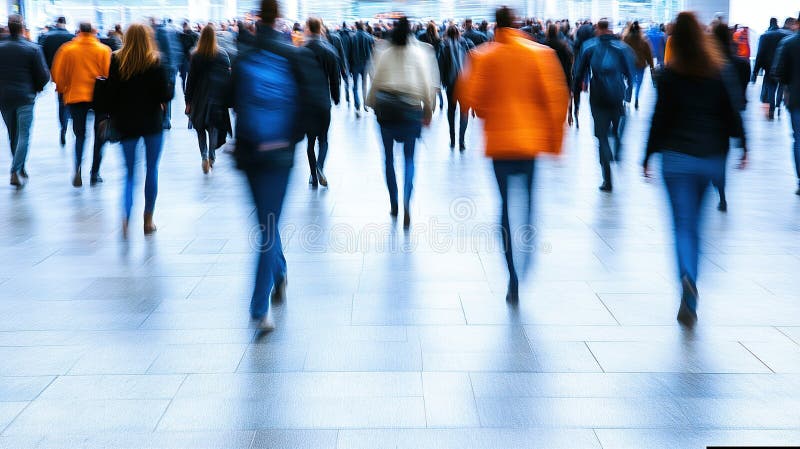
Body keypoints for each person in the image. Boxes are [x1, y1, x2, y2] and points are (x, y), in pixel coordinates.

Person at [644, 12, 747, 327]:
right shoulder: (719, 71)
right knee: (697, 223)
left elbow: (659, 119)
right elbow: (733, 111)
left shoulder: (669, 75)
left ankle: (686, 277)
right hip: (709, 157)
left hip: (675, 159)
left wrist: (647, 155)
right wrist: (744, 145)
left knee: (682, 225)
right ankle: (692, 279)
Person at [459, 6, 568, 303]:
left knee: (506, 204)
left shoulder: (483, 56)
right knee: (529, 202)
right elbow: (557, 99)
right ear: (517, 23)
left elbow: (468, 96)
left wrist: (486, 111)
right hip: (530, 143)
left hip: (500, 143)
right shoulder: (539, 54)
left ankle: (512, 275)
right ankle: (527, 259)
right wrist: (555, 144)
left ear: (496, 25)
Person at [231, 0, 325, 331]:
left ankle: (277, 276)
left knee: (264, 223)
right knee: (269, 226)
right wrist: (294, 136)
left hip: (250, 152)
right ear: (280, 18)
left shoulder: (243, 55)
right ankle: (259, 306)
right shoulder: (293, 54)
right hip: (280, 153)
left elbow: (231, 100)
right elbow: (315, 102)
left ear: (256, 19)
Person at [366, 16, 438, 228]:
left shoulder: (384, 52)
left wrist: (370, 102)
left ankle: (394, 202)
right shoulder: (420, 52)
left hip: (387, 110)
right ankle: (407, 199)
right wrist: (428, 110)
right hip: (410, 111)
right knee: (409, 159)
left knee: (388, 158)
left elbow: (375, 78)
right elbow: (427, 83)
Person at [107, 23, 173, 236]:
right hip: (152, 123)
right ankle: (148, 219)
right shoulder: (155, 61)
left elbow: (110, 93)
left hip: (125, 123)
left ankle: (126, 217)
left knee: (129, 173)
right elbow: (166, 96)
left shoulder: (116, 60)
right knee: (151, 169)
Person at [573, 19, 635, 192]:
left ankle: (607, 180)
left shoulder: (589, 46)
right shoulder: (622, 48)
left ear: (597, 29)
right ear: (609, 29)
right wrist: (628, 95)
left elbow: (578, 74)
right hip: (617, 95)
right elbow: (630, 74)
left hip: (598, 96)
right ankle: (618, 143)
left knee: (601, 137)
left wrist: (576, 97)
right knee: (616, 128)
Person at [51, 21, 111, 187]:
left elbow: (58, 73)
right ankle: (95, 172)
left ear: (78, 32)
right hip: (99, 98)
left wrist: (62, 89)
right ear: (94, 31)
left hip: (76, 96)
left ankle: (77, 168)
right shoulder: (103, 50)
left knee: (80, 135)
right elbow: (108, 74)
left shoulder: (67, 49)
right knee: (100, 134)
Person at [0, 15, 49, 187]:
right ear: (22, 28)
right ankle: (15, 169)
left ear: (8, 28)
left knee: (12, 134)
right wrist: (37, 88)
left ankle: (19, 166)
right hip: (25, 97)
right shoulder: (33, 49)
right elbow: (43, 76)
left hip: (4, 98)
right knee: (24, 135)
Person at [710, 22, 750, 212]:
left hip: (708, 118)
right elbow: (738, 96)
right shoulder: (740, 63)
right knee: (721, 157)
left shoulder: (707, 63)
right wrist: (744, 143)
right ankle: (722, 194)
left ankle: (715, 184)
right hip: (728, 118)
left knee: (710, 155)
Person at [185, 24, 232, 174]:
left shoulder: (195, 55)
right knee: (213, 128)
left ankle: (203, 156)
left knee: (200, 129)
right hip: (216, 97)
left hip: (199, 98)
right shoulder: (222, 54)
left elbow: (190, 80)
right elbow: (228, 78)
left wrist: (188, 101)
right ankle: (212, 157)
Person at [304, 17, 341, 188]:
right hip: (323, 102)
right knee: (324, 140)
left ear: (308, 29)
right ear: (320, 29)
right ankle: (320, 166)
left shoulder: (301, 51)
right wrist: (336, 97)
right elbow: (335, 79)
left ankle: (312, 175)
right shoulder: (330, 51)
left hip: (307, 104)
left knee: (310, 142)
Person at [772, 14, 800, 195]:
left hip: (797, 98)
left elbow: (778, 71)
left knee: (798, 139)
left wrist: (788, 86)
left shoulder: (789, 44)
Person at [40, 16, 73, 147]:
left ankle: (63, 127)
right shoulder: (71, 37)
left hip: (55, 74)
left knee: (61, 101)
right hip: (71, 74)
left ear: (56, 23)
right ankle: (71, 124)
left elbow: (42, 55)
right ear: (65, 23)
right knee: (71, 100)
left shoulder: (48, 37)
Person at [439, 25, 473, 151]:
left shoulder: (444, 46)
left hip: (451, 84)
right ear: (459, 33)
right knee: (464, 111)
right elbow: (472, 62)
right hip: (464, 83)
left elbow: (440, 65)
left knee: (451, 110)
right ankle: (462, 141)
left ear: (447, 33)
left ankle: (452, 139)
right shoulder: (466, 44)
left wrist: (443, 82)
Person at [753, 18, 792, 120]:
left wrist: (755, 72)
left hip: (768, 68)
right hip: (782, 67)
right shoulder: (784, 36)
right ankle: (778, 105)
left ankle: (771, 109)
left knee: (771, 88)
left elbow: (759, 55)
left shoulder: (764, 36)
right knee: (780, 87)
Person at [151, 17, 182, 129]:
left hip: (165, 68)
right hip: (168, 68)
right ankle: (165, 118)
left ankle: (165, 118)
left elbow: (167, 52)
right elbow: (175, 50)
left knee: (162, 94)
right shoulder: (169, 32)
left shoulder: (161, 33)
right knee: (164, 94)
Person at [543, 22, 574, 126]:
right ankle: (565, 116)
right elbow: (570, 62)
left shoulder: (542, 45)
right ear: (557, 31)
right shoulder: (563, 45)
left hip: (547, 78)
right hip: (562, 77)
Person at [622, 21, 654, 110]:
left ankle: (626, 99)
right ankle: (636, 98)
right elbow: (649, 54)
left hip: (629, 65)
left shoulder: (625, 39)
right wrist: (651, 66)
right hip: (641, 65)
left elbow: (621, 51)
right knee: (639, 83)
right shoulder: (644, 40)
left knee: (630, 82)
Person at [348, 21, 374, 117]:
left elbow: (349, 54)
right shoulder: (369, 37)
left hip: (355, 64)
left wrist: (349, 67)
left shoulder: (352, 37)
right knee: (364, 85)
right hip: (366, 64)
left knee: (355, 86)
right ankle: (365, 104)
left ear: (356, 27)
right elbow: (372, 51)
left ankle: (357, 104)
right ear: (363, 27)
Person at [178, 20, 199, 93]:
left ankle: (185, 90)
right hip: (190, 57)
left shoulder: (183, 35)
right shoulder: (194, 35)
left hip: (186, 58)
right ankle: (188, 90)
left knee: (186, 75)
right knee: (189, 75)